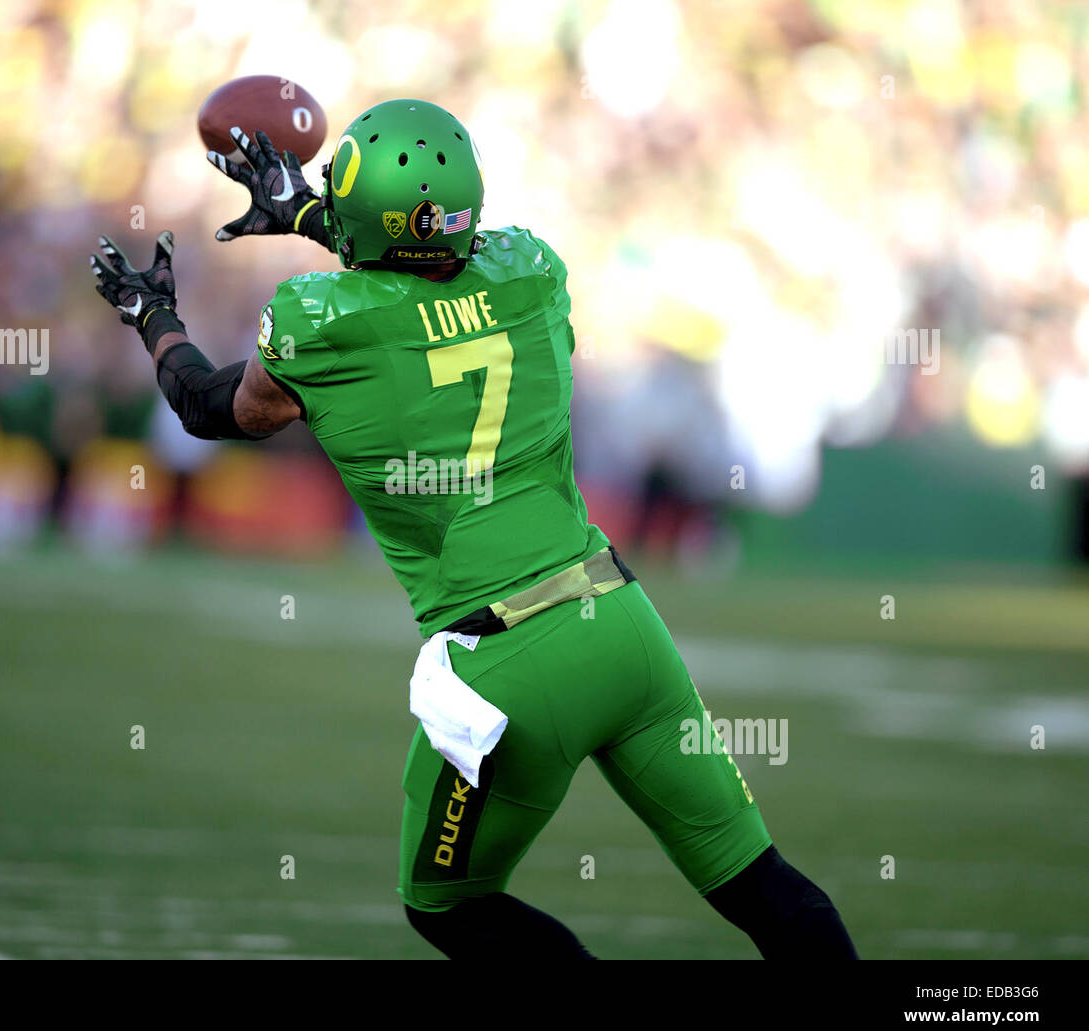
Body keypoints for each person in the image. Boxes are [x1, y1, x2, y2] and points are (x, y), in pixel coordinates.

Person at [90, 98, 858, 961]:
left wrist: (152, 316)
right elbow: (433, 275)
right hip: (622, 623)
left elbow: (209, 407)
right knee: (760, 884)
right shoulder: (532, 268)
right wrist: (307, 211)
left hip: (505, 665)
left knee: (447, 906)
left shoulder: (318, 321)